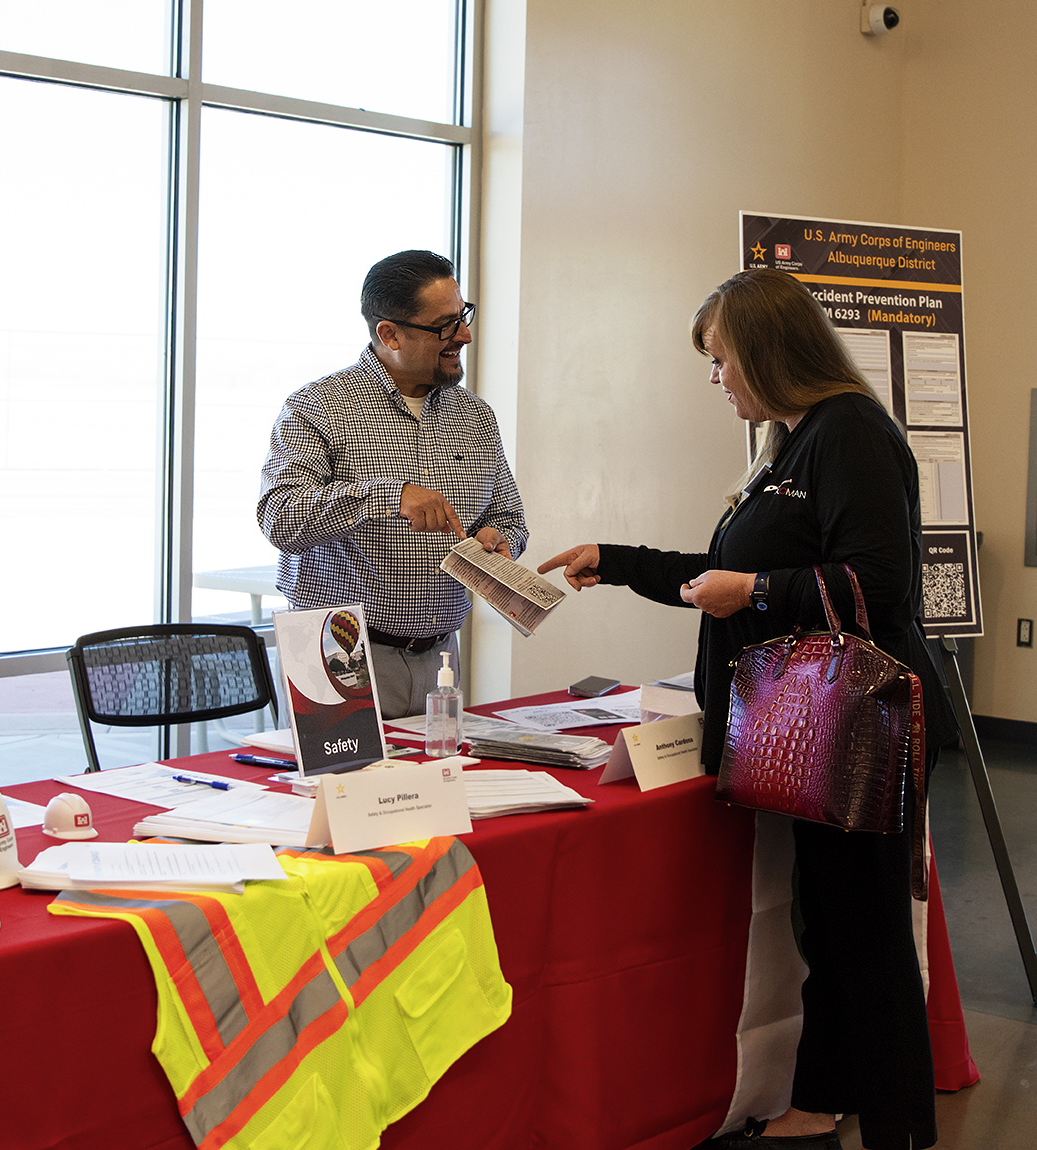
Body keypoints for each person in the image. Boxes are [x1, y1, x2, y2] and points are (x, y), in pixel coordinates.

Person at [539, 268, 954, 1150]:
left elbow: (878, 585)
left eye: (721, 360)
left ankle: (901, 1130)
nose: (715, 378)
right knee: (831, 931)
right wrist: (615, 558)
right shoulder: (789, 443)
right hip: (808, 731)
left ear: (767, 353)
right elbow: (720, 573)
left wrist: (758, 591)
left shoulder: (851, 436)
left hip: (857, 728)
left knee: (868, 944)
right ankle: (817, 1099)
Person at [258, 250, 527, 718]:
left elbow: (509, 518)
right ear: (390, 333)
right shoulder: (318, 406)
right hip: (338, 651)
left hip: (442, 656)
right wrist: (388, 496)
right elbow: (279, 517)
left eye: (462, 315)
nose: (464, 335)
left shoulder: (476, 416)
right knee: (342, 791)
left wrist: (498, 539)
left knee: (437, 788)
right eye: (444, 325)